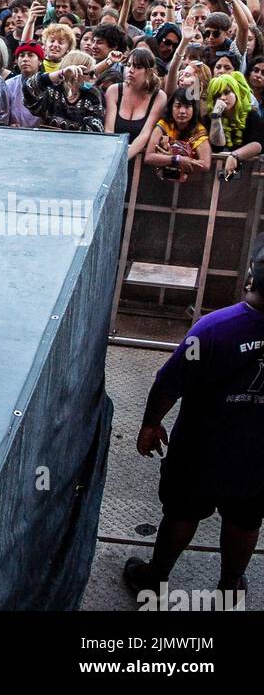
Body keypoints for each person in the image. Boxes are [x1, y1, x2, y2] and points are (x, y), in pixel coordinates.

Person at [124, 251, 264, 607]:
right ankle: (231, 587)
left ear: (250, 278)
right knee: (246, 519)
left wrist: (150, 424)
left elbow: (168, 384)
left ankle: (156, 578)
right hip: (258, 459)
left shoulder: (213, 328)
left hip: (200, 449)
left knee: (182, 512)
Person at [142, 88, 212, 184]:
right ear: (171, 107)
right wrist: (177, 159)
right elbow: (149, 157)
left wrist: (172, 159)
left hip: (190, 185)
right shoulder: (163, 125)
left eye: (187, 107)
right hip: (158, 182)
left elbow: (205, 164)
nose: (182, 111)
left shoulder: (199, 130)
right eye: (178, 106)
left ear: (194, 109)